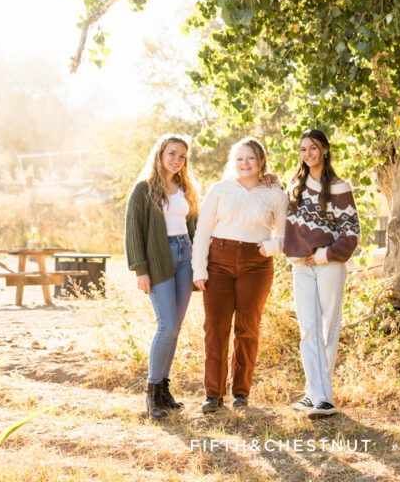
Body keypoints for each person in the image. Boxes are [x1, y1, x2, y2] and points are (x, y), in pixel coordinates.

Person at [192, 137, 289, 413]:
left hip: (256, 264)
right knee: (215, 328)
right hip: (218, 263)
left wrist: (270, 248)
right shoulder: (220, 189)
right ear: (233, 163)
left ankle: (241, 393)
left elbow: (285, 237)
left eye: (250, 158)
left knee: (247, 328)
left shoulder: (275, 194)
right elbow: (202, 232)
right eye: (239, 159)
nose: (245, 163)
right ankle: (213, 394)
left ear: (261, 162)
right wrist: (199, 268)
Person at [283, 129, 361, 419]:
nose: (308, 154)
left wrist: (322, 255)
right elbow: (283, 221)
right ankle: (314, 394)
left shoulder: (339, 188)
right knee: (308, 330)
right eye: (303, 149)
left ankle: (323, 398)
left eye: (313, 148)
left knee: (327, 328)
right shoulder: (294, 186)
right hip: (301, 268)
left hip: (329, 265)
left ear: (325, 150)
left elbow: (351, 233)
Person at [125, 134, 200, 419]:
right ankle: (152, 391)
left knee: (176, 328)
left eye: (182, 156)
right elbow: (133, 232)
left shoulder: (186, 188)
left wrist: (199, 266)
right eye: (172, 154)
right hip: (159, 258)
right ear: (160, 154)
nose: (177, 160)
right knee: (166, 326)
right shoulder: (143, 190)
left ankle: (164, 390)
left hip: (186, 255)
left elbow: (193, 228)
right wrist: (140, 270)